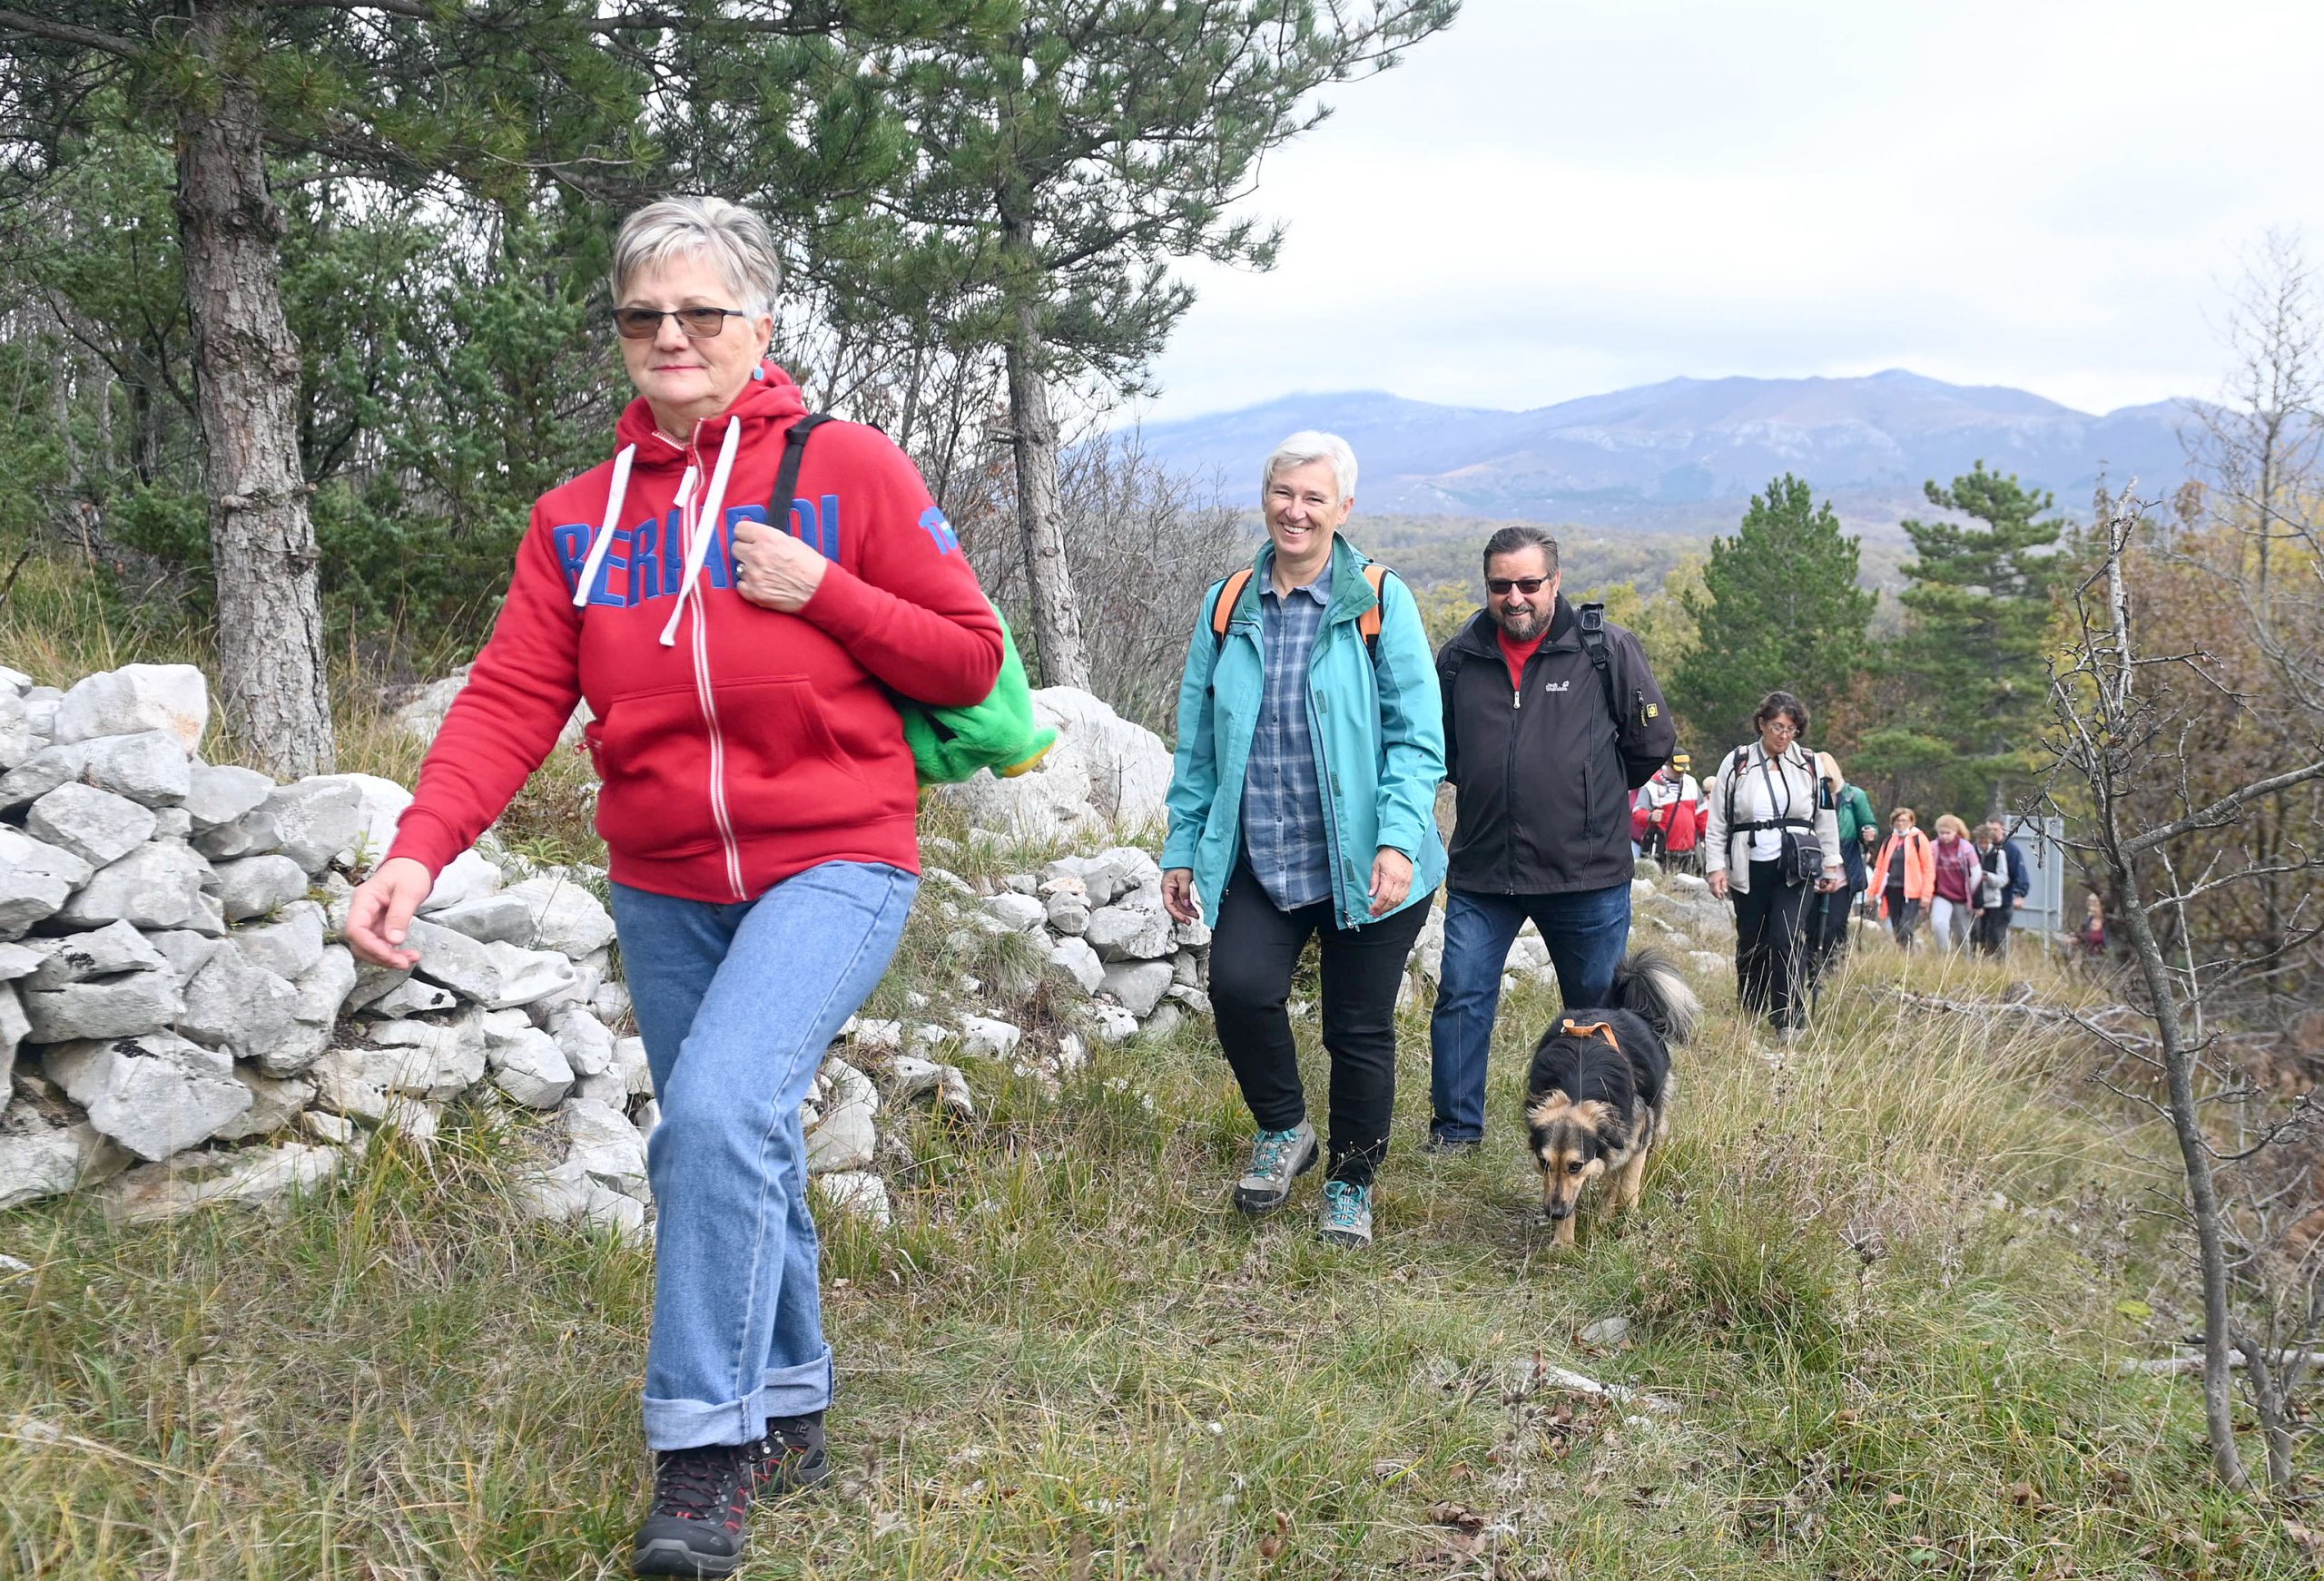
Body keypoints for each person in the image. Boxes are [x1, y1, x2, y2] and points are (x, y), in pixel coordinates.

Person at [341, 197, 1005, 1579]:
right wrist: (417, 848)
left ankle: (707, 1454)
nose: (671, 337)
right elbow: (513, 698)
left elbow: (965, 656)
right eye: (644, 316)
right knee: (731, 1127)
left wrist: (826, 588)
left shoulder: (850, 470)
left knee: (711, 1110)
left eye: (701, 313)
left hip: (837, 856)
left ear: (761, 323)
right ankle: (798, 1395)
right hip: (661, 878)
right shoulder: (578, 517)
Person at [1161, 431, 1446, 1251]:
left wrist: (1397, 840)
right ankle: (1285, 1128)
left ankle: (1351, 1181)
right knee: (1241, 990)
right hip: (1263, 854)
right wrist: (1183, 845)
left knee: (1356, 1029)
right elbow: (1199, 745)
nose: (1297, 510)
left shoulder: (1378, 602)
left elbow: (1416, 738)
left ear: (1343, 509)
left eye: (1314, 497)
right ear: (1267, 499)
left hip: (1369, 864)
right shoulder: (1228, 605)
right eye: (1285, 493)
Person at [1426, 525, 1676, 1151]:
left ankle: (1597, 1137)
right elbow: (1446, 751)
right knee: (1460, 999)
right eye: (1501, 585)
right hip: (1486, 869)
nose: (1515, 597)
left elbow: (1650, 745)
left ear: (1555, 583)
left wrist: (1587, 796)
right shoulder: (1459, 657)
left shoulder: (1604, 649)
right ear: (1486, 587)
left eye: (1529, 584)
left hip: (1585, 876)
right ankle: (1456, 1134)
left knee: (1595, 1021)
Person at [1700, 691, 1844, 1038]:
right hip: (1749, 863)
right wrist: (1715, 866)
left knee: (1787, 936)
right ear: (1762, 724)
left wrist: (1832, 863)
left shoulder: (1810, 764)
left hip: (1797, 864)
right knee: (1752, 939)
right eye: (1777, 726)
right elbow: (1719, 819)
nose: (1783, 735)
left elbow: (1824, 817)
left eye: (1791, 729)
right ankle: (1751, 1006)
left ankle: (1788, 1019)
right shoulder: (1737, 763)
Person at [1807, 751, 1877, 981]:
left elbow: (1867, 823)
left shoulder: (1853, 796)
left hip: (1844, 868)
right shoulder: (1807, 794)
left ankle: (1832, 970)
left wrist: (1868, 832)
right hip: (1812, 865)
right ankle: (1811, 971)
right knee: (1811, 925)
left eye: (1827, 777)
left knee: (1835, 924)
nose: (1824, 782)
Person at [1873, 807, 1935, 948]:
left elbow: (1928, 868)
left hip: (1912, 892)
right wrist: (1873, 892)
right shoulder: (1889, 841)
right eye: (1898, 820)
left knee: (1905, 925)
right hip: (1892, 889)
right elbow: (1880, 867)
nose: (1901, 823)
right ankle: (1904, 954)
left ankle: (1909, 953)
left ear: (1911, 822)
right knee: (1896, 926)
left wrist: (1926, 894)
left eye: (1904, 820)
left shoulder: (1919, 839)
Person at [1971, 820, 2033, 956]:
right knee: (1977, 934)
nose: (1991, 832)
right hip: (1980, 900)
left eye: (1995, 829)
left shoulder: (2009, 850)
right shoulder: (1975, 849)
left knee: (1995, 935)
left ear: (2002, 830)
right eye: (1989, 829)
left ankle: (1995, 966)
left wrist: (2020, 894)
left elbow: (2019, 874)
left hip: (2003, 899)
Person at [1631, 753, 1701, 862]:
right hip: (1661, 851)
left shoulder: (1691, 783)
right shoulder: (1651, 786)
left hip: (1689, 852)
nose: (1681, 773)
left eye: (1683, 770)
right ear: (1667, 765)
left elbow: (1702, 814)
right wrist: (1649, 816)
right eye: (1677, 770)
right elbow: (1637, 813)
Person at [1928, 814, 1982, 950]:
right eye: (1941, 833)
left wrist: (1971, 893)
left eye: (1948, 833)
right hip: (1941, 894)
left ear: (1955, 832)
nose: (1944, 836)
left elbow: (1976, 873)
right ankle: (1944, 957)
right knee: (1939, 925)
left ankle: (1964, 961)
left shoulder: (1966, 848)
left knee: (1962, 933)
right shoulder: (1933, 847)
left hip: (1962, 897)